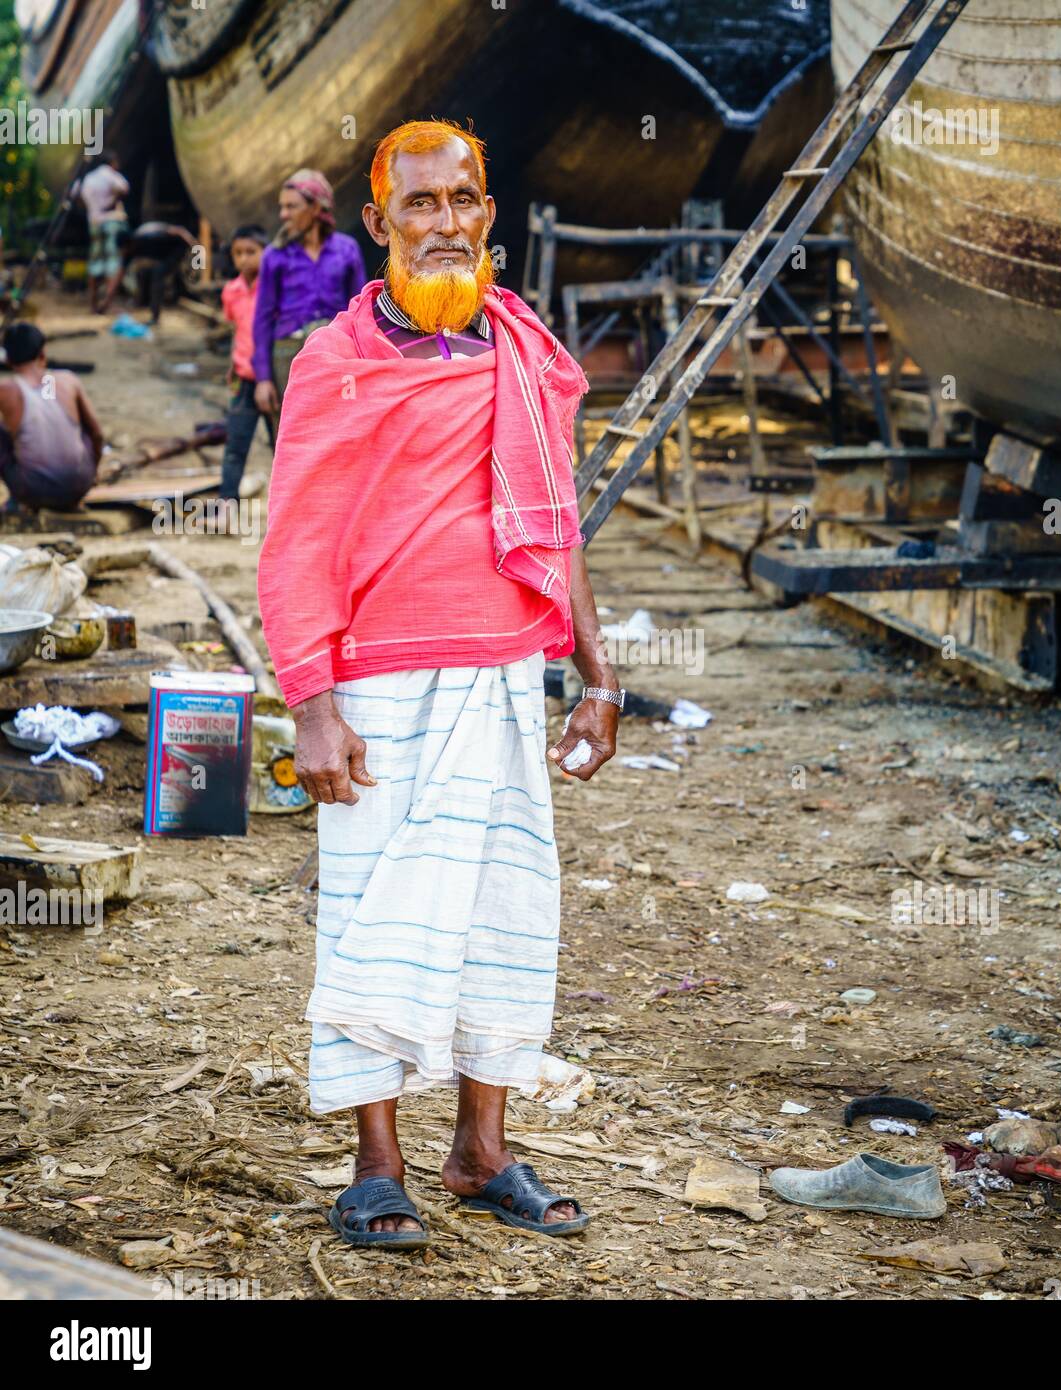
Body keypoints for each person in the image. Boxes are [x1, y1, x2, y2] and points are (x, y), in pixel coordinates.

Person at [257, 120, 620, 1246]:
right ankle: (376, 1165)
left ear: (487, 212)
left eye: (463, 199)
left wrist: (600, 678)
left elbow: (559, 528)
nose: (446, 223)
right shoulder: (336, 363)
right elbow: (295, 542)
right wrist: (311, 704)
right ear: (378, 224)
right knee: (377, 921)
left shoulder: (521, 347)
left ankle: (482, 1149)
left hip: (507, 674)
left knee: (502, 916)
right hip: (376, 690)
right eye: (419, 204)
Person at [251, 169, 366, 434]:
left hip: (335, 353)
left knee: (338, 431)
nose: (283, 215)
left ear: (316, 208)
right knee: (293, 432)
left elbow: (360, 312)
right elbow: (263, 319)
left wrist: (363, 364)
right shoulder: (274, 255)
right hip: (287, 355)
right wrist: (263, 378)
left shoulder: (347, 250)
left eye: (292, 206)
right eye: (282, 207)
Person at [0, 322, 103, 512]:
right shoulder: (66, 380)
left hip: (31, 491)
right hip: (79, 486)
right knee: (81, 427)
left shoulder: (6, 389)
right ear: (42, 354)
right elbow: (97, 433)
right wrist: (93, 472)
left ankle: (16, 501)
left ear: (7, 359)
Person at [218, 225, 273, 515]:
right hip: (243, 377)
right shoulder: (231, 292)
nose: (244, 259)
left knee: (283, 445)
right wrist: (232, 365)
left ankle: (288, 512)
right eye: (238, 253)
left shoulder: (275, 288)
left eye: (251, 252)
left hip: (274, 380)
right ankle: (227, 507)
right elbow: (238, 331)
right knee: (235, 445)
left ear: (267, 253)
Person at [76, 151, 130, 315]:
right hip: (112, 221)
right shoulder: (111, 176)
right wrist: (112, 202)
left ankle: (93, 304)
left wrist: (92, 209)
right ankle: (106, 303)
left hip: (94, 222)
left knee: (95, 262)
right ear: (112, 162)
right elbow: (124, 189)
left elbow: (74, 194)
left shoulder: (88, 179)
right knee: (114, 262)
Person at [123, 221, 199, 324]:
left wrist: (195, 245)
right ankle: (144, 304)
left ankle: (155, 315)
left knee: (157, 275)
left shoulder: (150, 237)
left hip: (177, 249)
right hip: (162, 257)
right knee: (145, 273)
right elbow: (120, 272)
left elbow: (179, 230)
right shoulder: (130, 249)